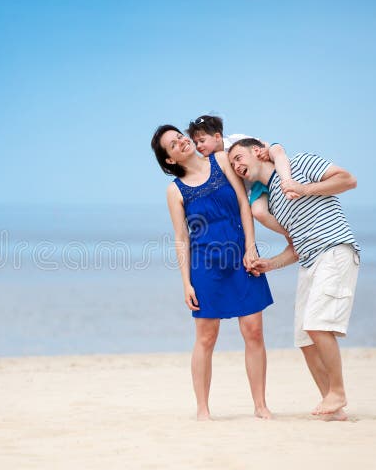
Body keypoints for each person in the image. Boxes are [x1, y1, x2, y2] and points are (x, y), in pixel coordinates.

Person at [228, 138, 359, 421]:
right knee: (304, 337)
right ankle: (332, 405)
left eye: (239, 157)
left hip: (334, 250)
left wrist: (304, 188)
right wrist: (270, 264)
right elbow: (296, 248)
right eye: (233, 163)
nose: (237, 165)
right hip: (310, 262)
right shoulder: (272, 200)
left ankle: (337, 391)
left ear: (257, 152)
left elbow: (348, 180)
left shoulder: (299, 163)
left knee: (316, 325)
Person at [151, 124, 273, 421]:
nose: (181, 141)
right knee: (206, 338)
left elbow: (244, 203)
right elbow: (181, 238)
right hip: (205, 267)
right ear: (169, 160)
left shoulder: (220, 160)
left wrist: (251, 247)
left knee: (254, 332)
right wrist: (186, 283)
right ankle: (202, 409)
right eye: (173, 144)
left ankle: (260, 405)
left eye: (180, 136)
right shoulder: (175, 190)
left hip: (242, 259)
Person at [186, 115, 301, 201]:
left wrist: (266, 149)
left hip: (264, 172)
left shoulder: (235, 140)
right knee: (258, 211)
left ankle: (287, 181)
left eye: (202, 141)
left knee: (275, 148)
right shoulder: (208, 163)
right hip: (254, 188)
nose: (198, 147)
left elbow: (260, 144)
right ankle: (287, 232)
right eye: (195, 143)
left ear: (217, 137)